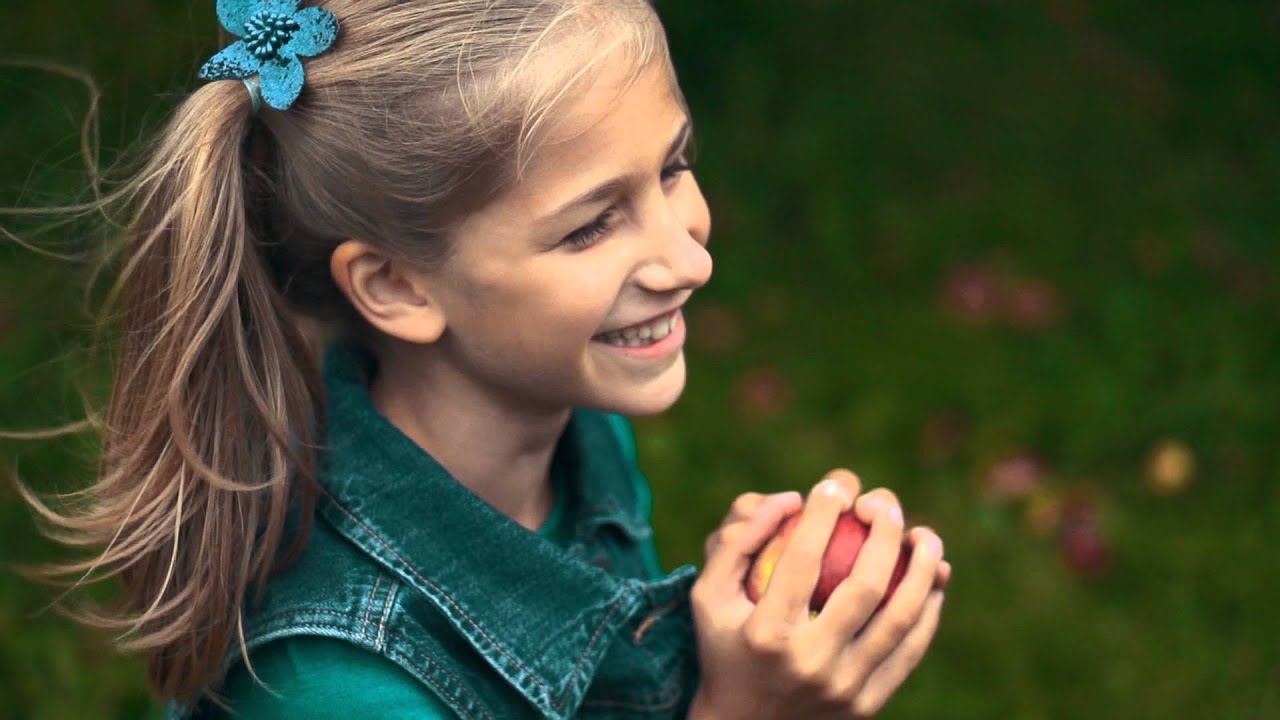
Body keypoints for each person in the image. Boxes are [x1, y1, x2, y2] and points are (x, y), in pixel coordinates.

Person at [16, 0, 951, 717]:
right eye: (591, 226)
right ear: (397, 287)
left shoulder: (574, 430)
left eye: (672, 168)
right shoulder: (340, 685)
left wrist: (728, 634)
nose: (691, 260)